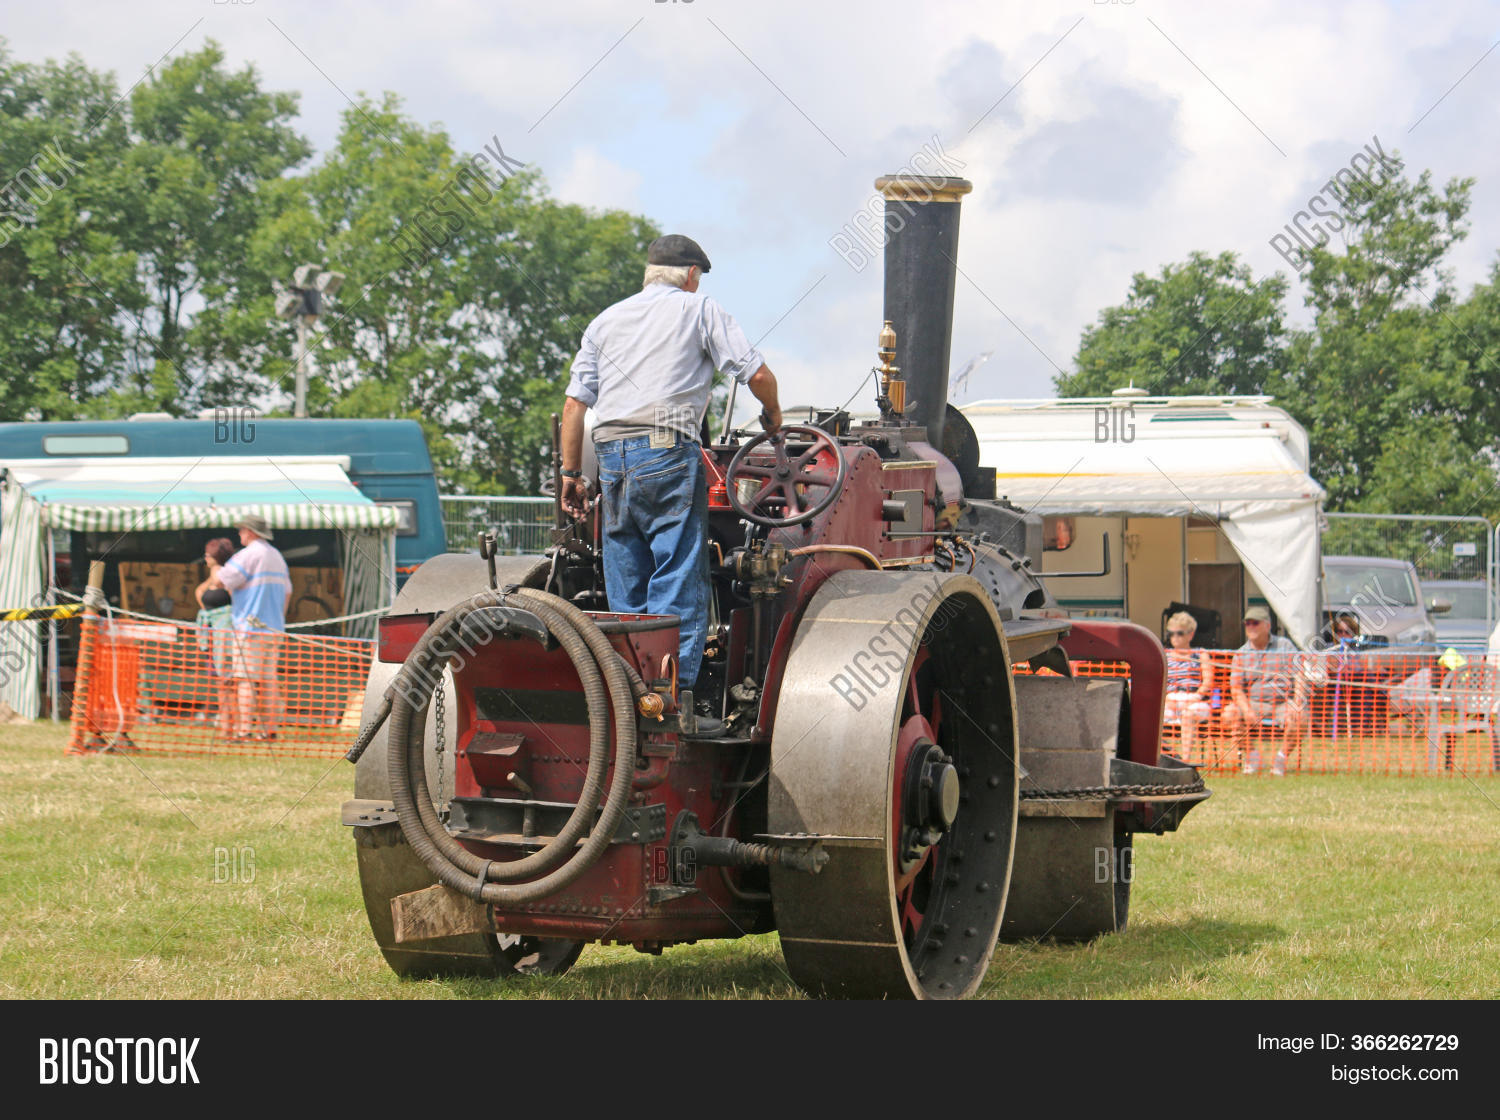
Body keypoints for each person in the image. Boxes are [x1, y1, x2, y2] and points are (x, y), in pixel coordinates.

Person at [559, 234, 783, 703]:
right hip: (665, 445)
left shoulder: (606, 320)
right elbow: (758, 375)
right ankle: (670, 693)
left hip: (610, 455)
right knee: (678, 567)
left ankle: (627, 688)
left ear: (649, 274)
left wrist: (571, 475)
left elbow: (575, 406)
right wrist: (774, 415)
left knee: (625, 571)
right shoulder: (699, 310)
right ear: (691, 276)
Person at [210, 516, 291, 741]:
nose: (239, 534)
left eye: (242, 530)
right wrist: (278, 619)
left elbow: (221, 581)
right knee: (269, 681)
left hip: (250, 630)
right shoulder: (277, 556)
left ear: (251, 532)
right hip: (274, 629)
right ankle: (269, 729)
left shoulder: (247, 555)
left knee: (246, 680)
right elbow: (288, 592)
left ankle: (244, 730)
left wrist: (215, 566)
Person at [1223, 605, 1308, 775]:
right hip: (1253, 703)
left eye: (1255, 623)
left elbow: (1299, 675)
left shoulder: (1284, 646)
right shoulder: (1241, 653)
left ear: (1267, 625)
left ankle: (1280, 759)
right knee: (1228, 715)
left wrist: (1297, 702)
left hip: (1282, 703)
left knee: (1301, 717)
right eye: (1247, 623)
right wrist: (1247, 710)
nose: (1250, 627)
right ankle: (1253, 756)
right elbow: (1236, 688)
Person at [194, 537, 239, 737]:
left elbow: (236, 600)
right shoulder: (213, 576)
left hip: (226, 637)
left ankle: (235, 725)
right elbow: (199, 592)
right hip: (213, 638)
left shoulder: (226, 577)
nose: (205, 557)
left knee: (230, 682)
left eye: (208, 554)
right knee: (221, 682)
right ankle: (225, 724)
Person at [1161, 610, 1214, 762]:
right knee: (1153, 717)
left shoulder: (1200, 654)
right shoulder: (1164, 655)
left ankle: (1184, 761)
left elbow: (1208, 681)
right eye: (1171, 633)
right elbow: (1160, 682)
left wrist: (1195, 697)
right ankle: (1165, 757)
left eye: (1179, 633)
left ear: (1190, 635)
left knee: (1188, 714)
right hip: (1170, 700)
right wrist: (1166, 699)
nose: (1174, 637)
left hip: (1196, 700)